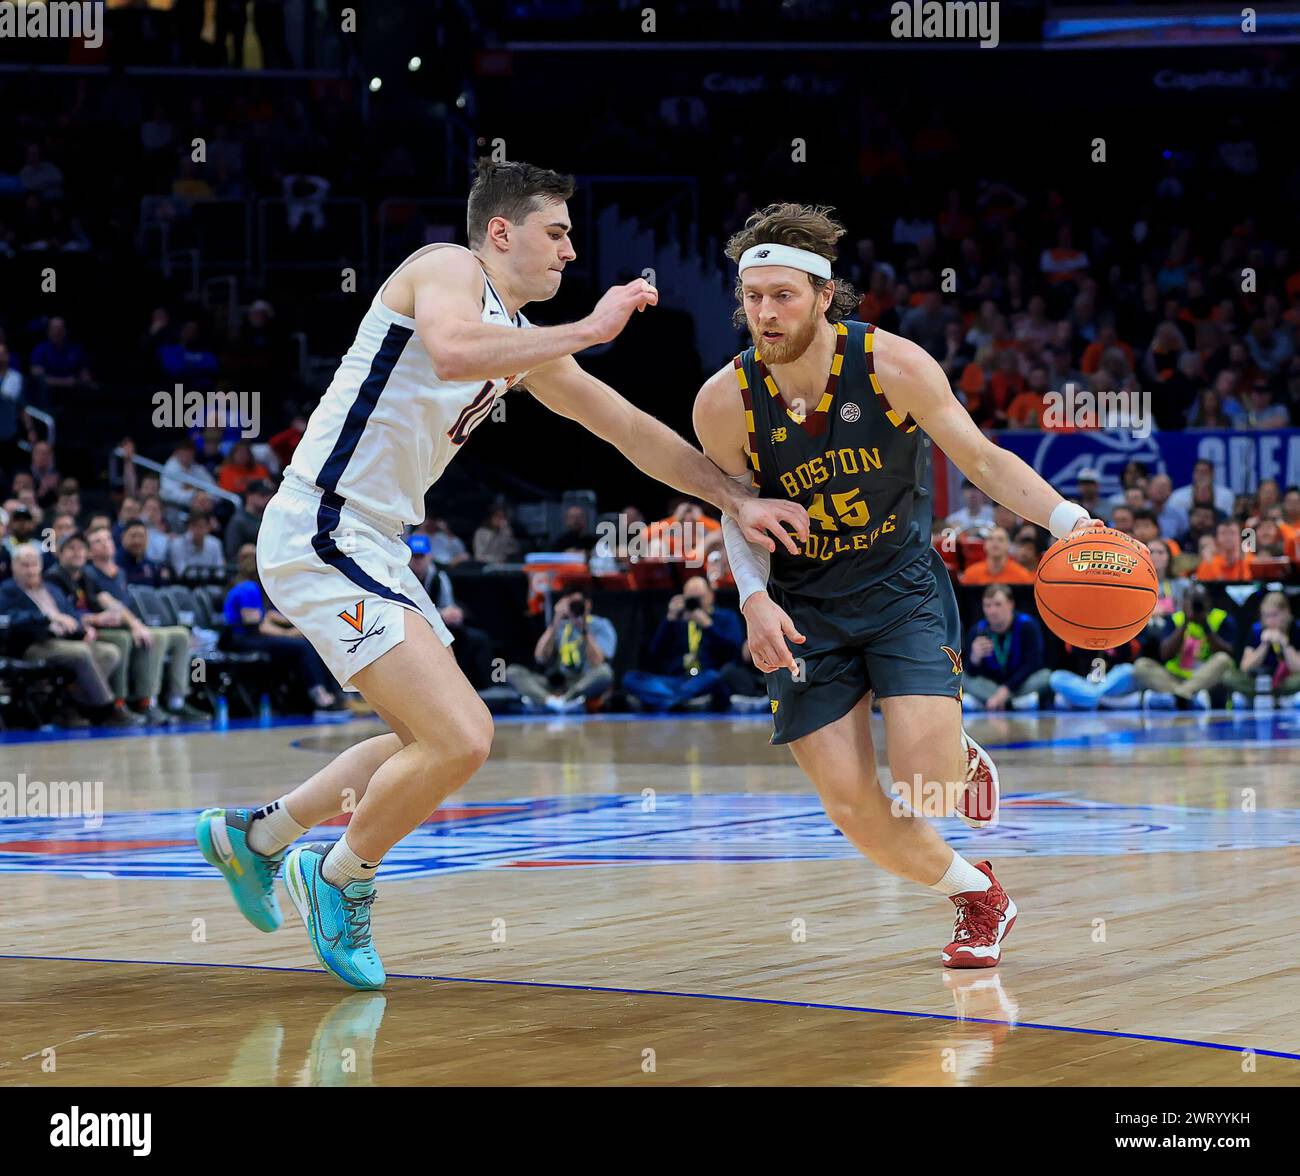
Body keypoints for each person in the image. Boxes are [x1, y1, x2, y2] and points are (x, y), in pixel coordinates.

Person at [196, 159, 805, 990]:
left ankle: (257, 838)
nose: (568, 251)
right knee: (463, 736)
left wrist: (733, 496)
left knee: (427, 742)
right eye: (556, 234)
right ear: (500, 232)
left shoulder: (520, 341)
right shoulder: (444, 268)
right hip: (323, 525)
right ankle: (338, 876)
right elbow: (449, 352)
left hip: (373, 540)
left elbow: (624, 426)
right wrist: (589, 329)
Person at [692, 203, 1107, 971]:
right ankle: (978, 895)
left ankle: (952, 756)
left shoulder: (895, 366)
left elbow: (981, 461)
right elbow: (734, 514)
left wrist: (1071, 522)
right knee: (853, 808)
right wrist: (753, 598)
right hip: (802, 606)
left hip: (899, 587)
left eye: (782, 296)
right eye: (752, 298)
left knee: (926, 792)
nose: (764, 313)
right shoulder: (724, 401)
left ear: (824, 296)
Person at [0, 545, 136, 728]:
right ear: (14, 566)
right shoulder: (7, 590)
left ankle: (72, 705)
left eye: (33, 564)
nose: (30, 570)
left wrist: (84, 627)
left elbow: (71, 612)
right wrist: (47, 619)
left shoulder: (50, 588)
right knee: (81, 653)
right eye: (25, 565)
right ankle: (106, 708)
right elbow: (10, 619)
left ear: (40, 566)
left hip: (65, 641)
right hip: (34, 644)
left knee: (109, 652)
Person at [85, 524, 209, 723]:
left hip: (129, 623)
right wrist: (136, 625)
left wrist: (136, 624)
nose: (104, 544)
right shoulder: (89, 574)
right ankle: (143, 702)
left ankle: (177, 700)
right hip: (105, 627)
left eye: (107, 539)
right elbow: (111, 604)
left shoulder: (120, 573)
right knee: (155, 637)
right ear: (89, 552)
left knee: (180, 635)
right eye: (97, 541)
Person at [219, 544, 345, 712]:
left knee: (308, 643)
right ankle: (319, 695)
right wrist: (289, 634)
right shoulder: (248, 589)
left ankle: (328, 692)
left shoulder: (245, 587)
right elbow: (257, 627)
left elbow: (267, 617)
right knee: (302, 647)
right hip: (241, 640)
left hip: (245, 637)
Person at [622, 575, 744, 711]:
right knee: (631, 678)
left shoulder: (725, 617)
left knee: (714, 677)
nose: (694, 604)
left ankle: (666, 701)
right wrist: (670, 619)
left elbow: (734, 650)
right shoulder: (677, 620)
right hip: (677, 679)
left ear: (711, 595)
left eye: (698, 599)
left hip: (705, 677)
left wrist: (708, 625)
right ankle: (678, 701)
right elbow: (655, 653)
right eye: (690, 599)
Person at [506, 588, 616, 713]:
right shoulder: (561, 626)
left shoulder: (600, 625)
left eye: (579, 604)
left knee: (605, 672)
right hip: (558, 683)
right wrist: (556, 619)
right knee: (513, 671)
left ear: (588, 604)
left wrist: (584, 627)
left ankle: (563, 701)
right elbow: (540, 657)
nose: (575, 608)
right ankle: (552, 702)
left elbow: (597, 662)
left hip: (584, 681)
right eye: (571, 604)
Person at [1132, 583, 1236, 709]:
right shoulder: (1175, 619)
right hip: (1174, 677)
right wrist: (1185, 623)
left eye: (1200, 601)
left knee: (1223, 660)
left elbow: (1228, 653)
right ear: (1184, 602)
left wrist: (1206, 626)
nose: (1196, 606)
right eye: (1192, 601)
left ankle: (1178, 695)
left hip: (1204, 678)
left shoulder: (1221, 618)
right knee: (1141, 665)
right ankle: (1187, 695)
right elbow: (1165, 655)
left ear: (1209, 601)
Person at [962, 585, 1051, 711]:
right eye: (987, 605)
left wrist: (1005, 691)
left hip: (1019, 685)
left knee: (1046, 676)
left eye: (998, 604)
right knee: (960, 677)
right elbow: (971, 673)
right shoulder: (977, 630)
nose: (992, 611)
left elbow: (1032, 664)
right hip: (990, 686)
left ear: (1010, 604)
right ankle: (1014, 704)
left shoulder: (1027, 625)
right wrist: (974, 658)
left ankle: (990, 702)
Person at [1223, 591, 1300, 707]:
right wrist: (1264, 645)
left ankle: (1282, 697)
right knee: (1228, 677)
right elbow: (1245, 667)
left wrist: (1285, 644)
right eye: (1266, 616)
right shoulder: (1256, 630)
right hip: (1259, 682)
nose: (1270, 621)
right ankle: (1267, 697)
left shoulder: (1297, 629)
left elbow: (1298, 668)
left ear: (1286, 612)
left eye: (1274, 615)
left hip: (1286, 682)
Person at [959, 525, 1034, 585]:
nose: (995, 543)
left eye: (1000, 539)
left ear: (1008, 545)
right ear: (985, 545)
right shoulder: (971, 574)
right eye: (990, 539)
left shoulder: (1022, 575)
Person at [168, 509, 225, 578]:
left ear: (208, 528)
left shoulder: (215, 544)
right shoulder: (177, 544)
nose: (197, 530)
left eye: (201, 526)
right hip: (183, 585)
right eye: (194, 526)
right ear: (189, 527)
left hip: (209, 585)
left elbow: (220, 572)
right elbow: (181, 572)